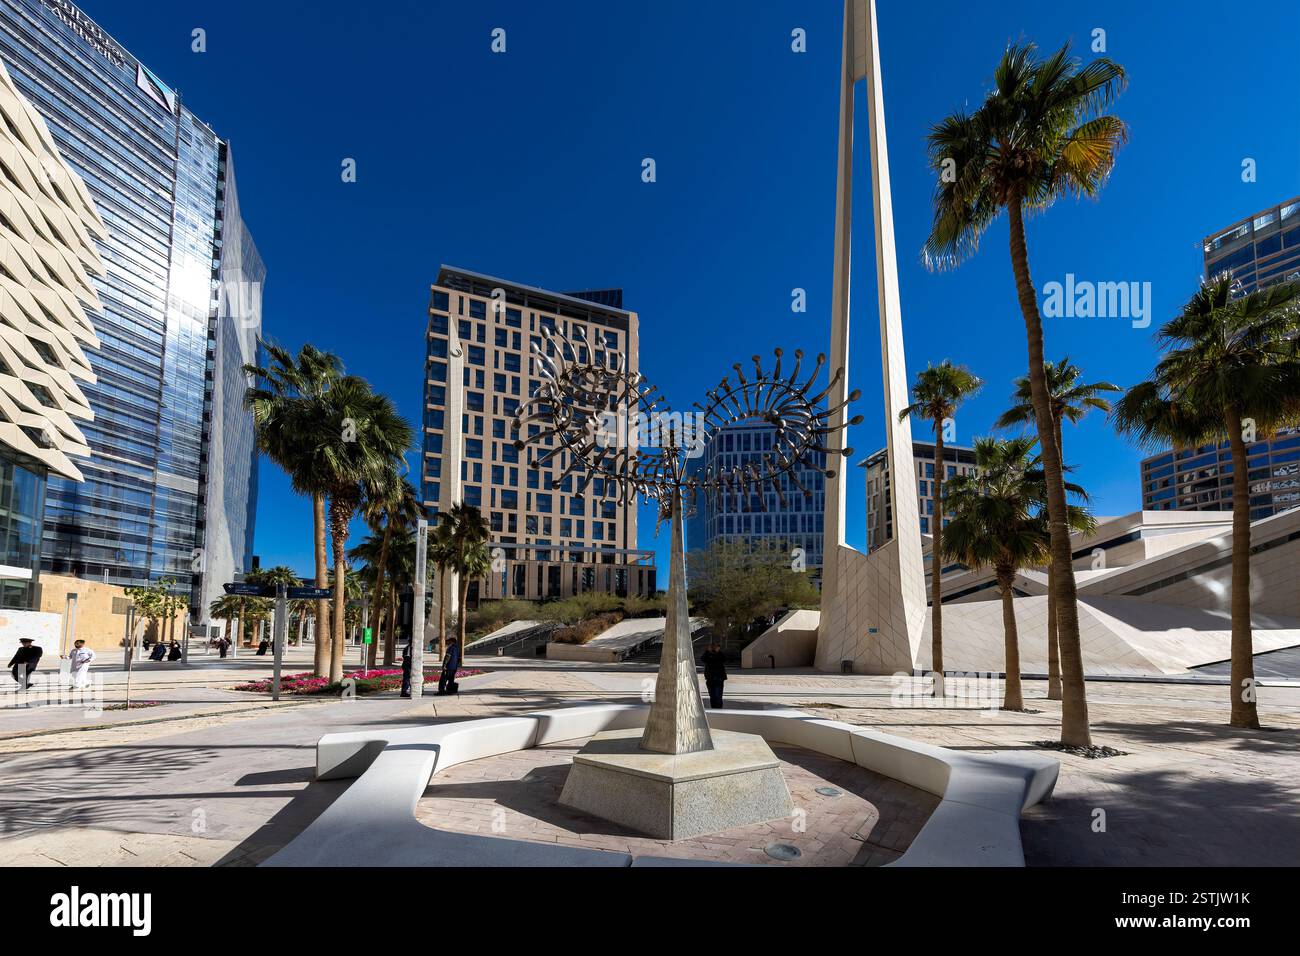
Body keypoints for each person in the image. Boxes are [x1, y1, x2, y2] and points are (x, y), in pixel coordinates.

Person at [701, 641, 727, 709]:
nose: (714, 648)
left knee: (718, 696)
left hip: (719, 678)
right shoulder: (708, 654)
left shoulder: (720, 654)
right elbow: (703, 659)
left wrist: (718, 651)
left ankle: (718, 710)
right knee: (712, 696)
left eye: (716, 646)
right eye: (713, 646)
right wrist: (707, 651)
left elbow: (724, 659)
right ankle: (714, 709)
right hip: (710, 678)